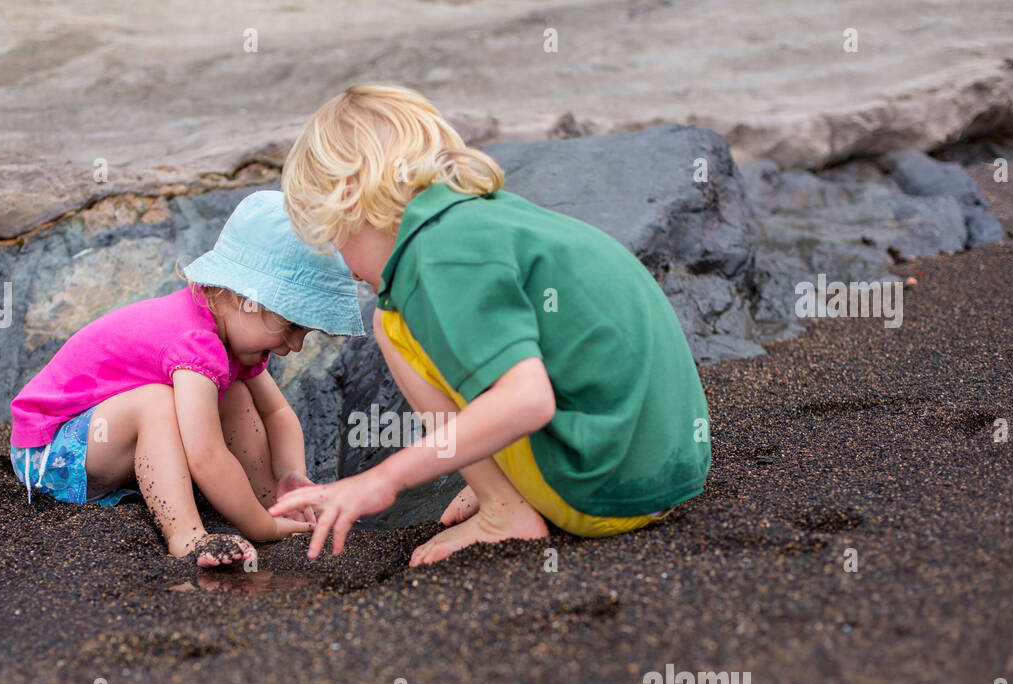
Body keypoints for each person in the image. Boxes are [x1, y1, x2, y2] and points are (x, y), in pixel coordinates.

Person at [272, 84, 711, 566]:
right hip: (668, 471)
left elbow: (528, 399)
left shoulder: (436, 257)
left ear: (352, 200)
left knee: (390, 322)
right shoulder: (487, 219)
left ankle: (506, 511)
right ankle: (504, 489)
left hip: (604, 490)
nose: (342, 261)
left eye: (335, 237)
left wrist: (382, 479)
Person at [8, 190, 364, 565]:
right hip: (47, 454)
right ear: (246, 299)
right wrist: (259, 531)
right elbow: (206, 456)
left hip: (102, 447)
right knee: (156, 403)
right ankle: (188, 537)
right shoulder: (195, 341)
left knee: (236, 395)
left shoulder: (230, 337)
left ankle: (274, 504)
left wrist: (291, 474)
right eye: (290, 326)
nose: (293, 347)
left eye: (303, 333)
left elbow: (277, 414)